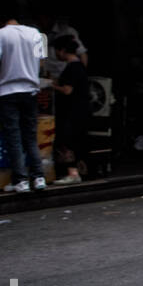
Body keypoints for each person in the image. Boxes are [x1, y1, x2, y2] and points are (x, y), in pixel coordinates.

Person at [0, 9, 48, 192]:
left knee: (14, 137)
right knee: (30, 136)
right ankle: (39, 177)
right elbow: (41, 63)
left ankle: (20, 180)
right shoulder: (36, 34)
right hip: (30, 91)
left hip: (7, 91)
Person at [50, 36, 90, 185]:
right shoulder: (79, 66)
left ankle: (72, 173)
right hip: (80, 111)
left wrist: (51, 86)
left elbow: (67, 90)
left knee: (68, 140)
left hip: (72, 111)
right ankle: (79, 171)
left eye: (57, 50)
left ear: (62, 50)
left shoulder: (72, 68)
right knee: (77, 140)